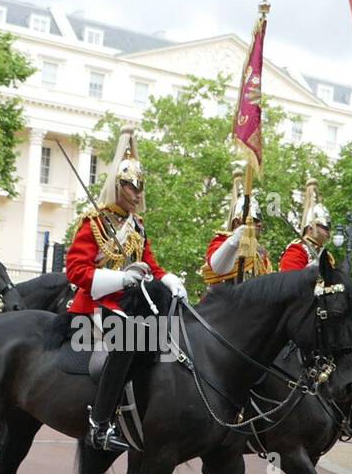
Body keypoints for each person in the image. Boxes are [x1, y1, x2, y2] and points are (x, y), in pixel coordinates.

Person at [65, 125, 187, 452]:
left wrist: (169, 279)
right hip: (96, 307)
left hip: (132, 306)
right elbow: (75, 271)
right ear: (119, 187)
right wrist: (121, 279)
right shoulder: (93, 223)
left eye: (140, 188)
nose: (138, 194)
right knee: (128, 339)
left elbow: (151, 263)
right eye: (133, 188)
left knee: (167, 338)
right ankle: (100, 422)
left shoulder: (137, 228)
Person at [202, 166, 273, 287]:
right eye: (255, 220)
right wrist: (234, 241)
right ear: (237, 222)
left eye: (260, 220)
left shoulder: (260, 254)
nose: (260, 224)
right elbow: (218, 267)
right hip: (224, 303)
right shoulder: (221, 241)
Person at [279, 177, 331, 272]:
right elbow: (290, 280)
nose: (328, 231)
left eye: (329, 228)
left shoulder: (326, 255)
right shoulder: (297, 249)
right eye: (324, 227)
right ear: (311, 228)